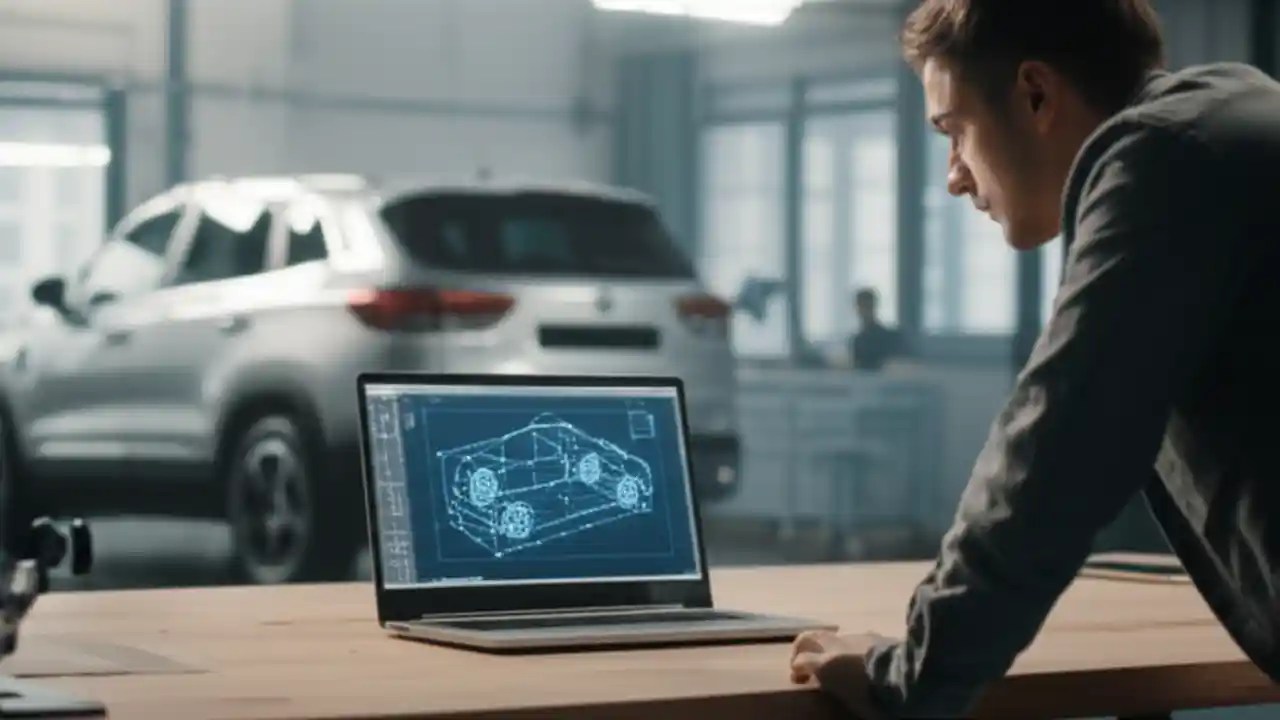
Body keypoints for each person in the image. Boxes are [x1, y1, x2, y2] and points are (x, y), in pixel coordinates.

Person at [788, 0, 1280, 716]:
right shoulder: (1235, 120)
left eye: (953, 131)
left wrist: (907, 677)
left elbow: (1061, 446)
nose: (953, 176)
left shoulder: (1167, 158)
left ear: (1036, 94)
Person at [849, 288, 900, 372]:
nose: (864, 311)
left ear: (873, 307)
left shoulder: (887, 337)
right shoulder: (858, 340)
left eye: (867, 306)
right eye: (862, 306)